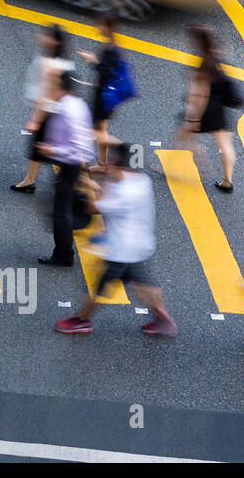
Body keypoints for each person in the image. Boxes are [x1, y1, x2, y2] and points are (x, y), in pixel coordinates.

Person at [54, 142, 176, 336]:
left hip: (121, 249)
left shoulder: (123, 192)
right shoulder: (141, 180)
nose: (109, 164)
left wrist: (87, 185)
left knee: (97, 286)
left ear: (122, 166)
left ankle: (82, 320)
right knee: (141, 283)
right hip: (137, 245)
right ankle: (163, 319)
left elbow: (93, 208)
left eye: (113, 162)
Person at [36, 70, 96, 267]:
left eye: (53, 85)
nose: (50, 88)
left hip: (70, 163)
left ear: (61, 88)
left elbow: (75, 146)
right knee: (63, 207)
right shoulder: (78, 104)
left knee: (61, 212)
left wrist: (52, 149)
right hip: (75, 163)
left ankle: (63, 254)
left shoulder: (65, 109)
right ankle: (64, 251)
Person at [12, 24, 73, 194]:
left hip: (50, 113)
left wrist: (35, 120)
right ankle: (29, 180)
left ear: (55, 42)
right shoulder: (61, 62)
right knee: (40, 148)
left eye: (46, 35)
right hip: (55, 112)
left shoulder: (50, 65)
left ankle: (78, 183)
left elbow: (47, 97)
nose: (41, 36)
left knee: (43, 148)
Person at [176, 25, 236, 194]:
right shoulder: (217, 55)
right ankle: (227, 181)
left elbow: (200, 95)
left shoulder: (205, 62)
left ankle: (201, 164)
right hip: (220, 108)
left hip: (206, 110)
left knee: (182, 136)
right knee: (225, 144)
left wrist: (193, 118)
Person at [76, 14, 125, 160]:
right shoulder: (112, 45)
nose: (97, 27)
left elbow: (106, 72)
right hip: (107, 94)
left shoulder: (110, 48)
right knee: (101, 129)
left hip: (103, 95)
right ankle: (103, 163)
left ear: (107, 27)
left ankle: (122, 147)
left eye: (100, 25)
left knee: (93, 131)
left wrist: (93, 60)